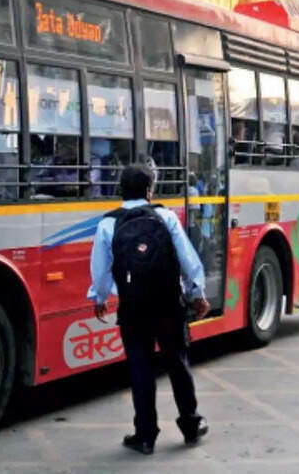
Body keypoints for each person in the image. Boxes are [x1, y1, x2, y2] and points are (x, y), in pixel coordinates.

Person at [88, 165, 209, 455]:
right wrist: (198, 294)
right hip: (169, 303)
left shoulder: (108, 224)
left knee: (140, 368)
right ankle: (191, 426)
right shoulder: (165, 216)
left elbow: (101, 269)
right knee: (177, 363)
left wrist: (99, 296)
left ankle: (145, 436)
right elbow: (188, 259)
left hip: (132, 307)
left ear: (121, 190)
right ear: (148, 190)